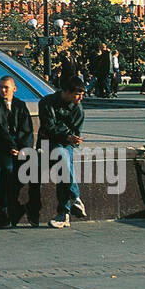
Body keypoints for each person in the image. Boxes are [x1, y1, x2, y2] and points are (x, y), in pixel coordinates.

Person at [0, 75, 38, 227]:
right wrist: (12, 147)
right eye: (0, 87)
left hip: (19, 146)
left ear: (14, 89)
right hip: (1, 145)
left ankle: (33, 208)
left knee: (35, 168)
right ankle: (3, 210)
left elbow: (27, 129)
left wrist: (22, 149)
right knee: (6, 168)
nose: (2, 90)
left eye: (6, 87)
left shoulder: (20, 105)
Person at [39, 74, 87, 229]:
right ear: (66, 91)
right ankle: (76, 198)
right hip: (48, 143)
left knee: (63, 163)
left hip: (66, 145)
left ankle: (64, 214)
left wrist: (74, 139)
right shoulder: (47, 102)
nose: (80, 98)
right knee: (63, 158)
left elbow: (76, 132)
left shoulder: (78, 109)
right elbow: (48, 128)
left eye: (82, 94)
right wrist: (67, 136)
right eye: (77, 94)